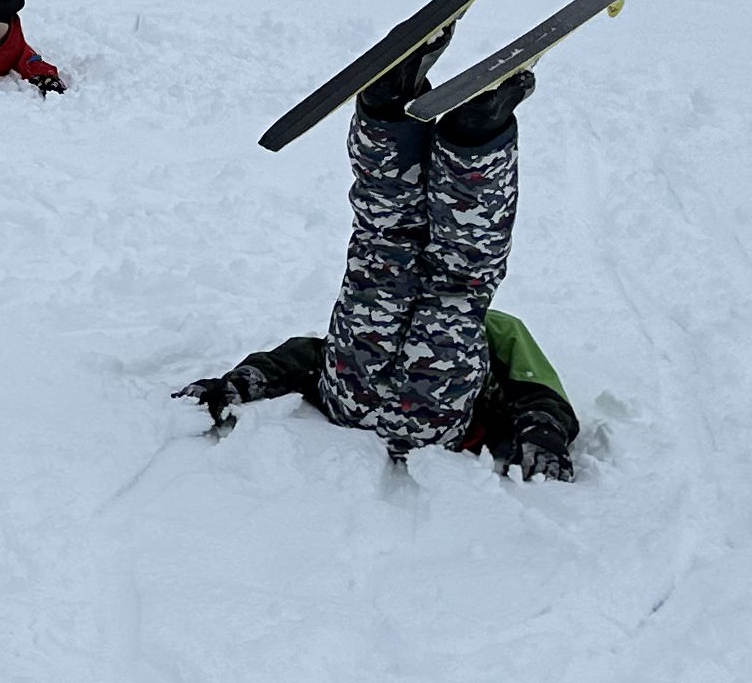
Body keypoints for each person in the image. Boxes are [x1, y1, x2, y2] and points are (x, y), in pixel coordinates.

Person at [176, 24, 578, 478]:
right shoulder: (503, 331)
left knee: (446, 264)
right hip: (405, 402)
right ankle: (425, 120)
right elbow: (533, 387)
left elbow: (305, 358)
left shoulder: (495, 329)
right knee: (385, 242)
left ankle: (452, 128)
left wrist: (240, 383)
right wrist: (543, 430)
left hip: (367, 391)